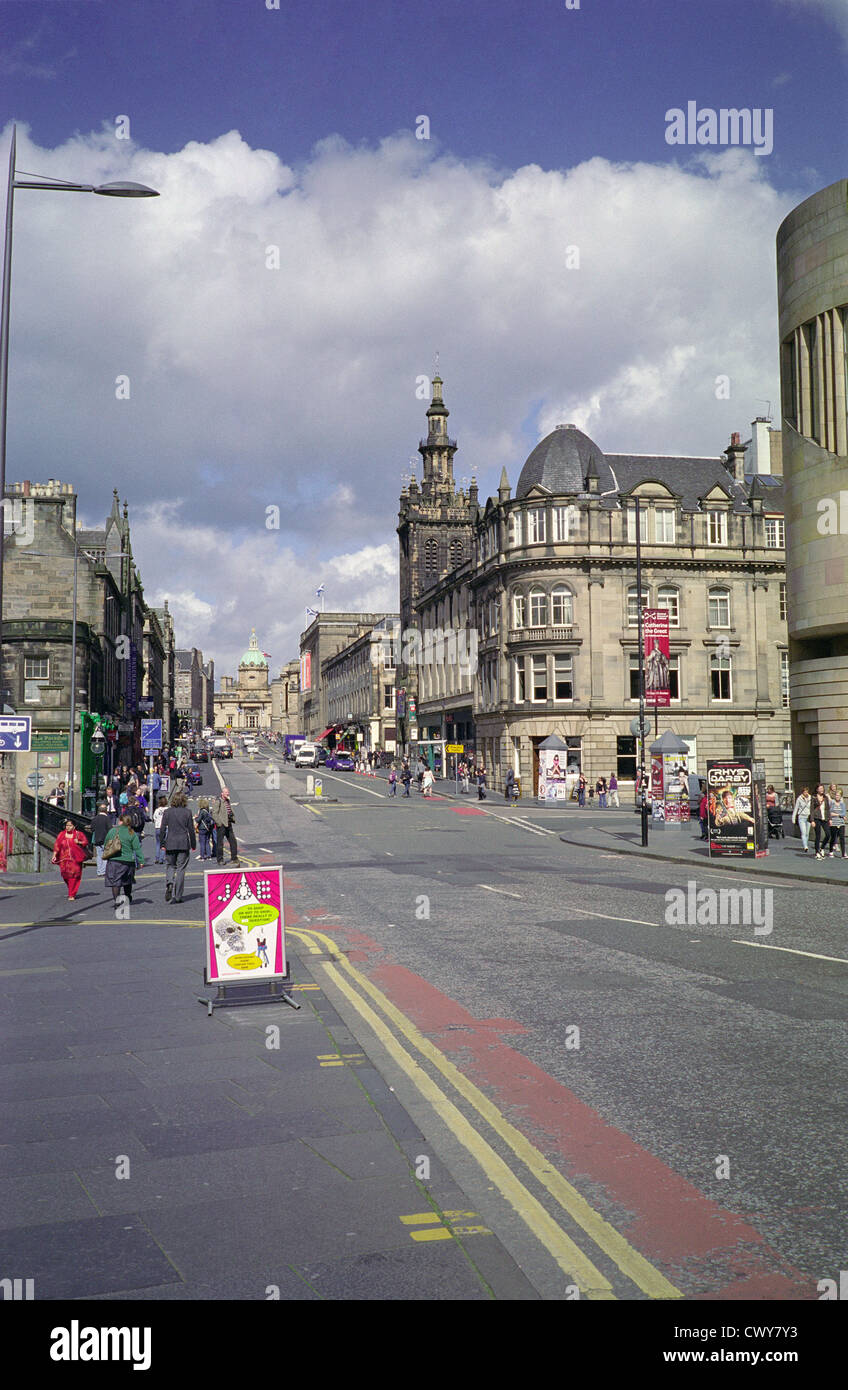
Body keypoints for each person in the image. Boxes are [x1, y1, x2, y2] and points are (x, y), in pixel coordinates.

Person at [103, 814, 143, 914]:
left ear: (120, 821)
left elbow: (106, 843)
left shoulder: (113, 831)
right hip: (128, 861)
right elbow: (137, 848)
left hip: (114, 860)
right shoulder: (131, 833)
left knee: (115, 882)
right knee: (127, 880)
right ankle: (128, 896)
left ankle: (117, 901)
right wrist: (141, 861)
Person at [161, 792, 197, 903]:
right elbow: (191, 830)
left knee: (170, 866)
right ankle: (178, 896)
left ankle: (169, 883)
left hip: (170, 842)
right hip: (183, 843)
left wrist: (162, 843)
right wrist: (193, 844)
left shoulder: (167, 812)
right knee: (181, 869)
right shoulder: (187, 812)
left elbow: (162, 829)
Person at [52, 820, 89, 900]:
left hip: (75, 859)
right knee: (65, 875)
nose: (68, 827)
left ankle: (71, 894)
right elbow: (57, 845)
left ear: (74, 826)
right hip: (64, 858)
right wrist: (54, 855)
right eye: (67, 825)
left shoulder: (79, 834)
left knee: (73, 875)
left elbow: (85, 842)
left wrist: (79, 842)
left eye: (70, 825)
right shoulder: (61, 834)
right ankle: (71, 889)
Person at [211, 788, 239, 864]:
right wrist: (219, 823)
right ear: (222, 793)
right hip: (222, 825)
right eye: (226, 792)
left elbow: (229, 811)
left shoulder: (227, 801)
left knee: (233, 841)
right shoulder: (218, 801)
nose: (228, 794)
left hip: (229, 824)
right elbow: (214, 813)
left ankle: (234, 858)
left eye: (228, 792)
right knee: (220, 843)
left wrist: (232, 818)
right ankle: (220, 859)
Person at [89, 801, 111, 877]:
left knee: (99, 856)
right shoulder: (107, 818)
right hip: (105, 839)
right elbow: (110, 829)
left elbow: (92, 829)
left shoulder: (95, 819)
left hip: (97, 839)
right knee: (105, 856)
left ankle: (99, 871)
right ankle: (103, 871)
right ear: (106, 811)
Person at [811, 785, 831, 859]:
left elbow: (828, 809)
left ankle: (822, 848)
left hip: (824, 818)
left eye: (822, 788)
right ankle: (817, 852)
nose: (822, 790)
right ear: (817, 790)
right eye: (820, 788)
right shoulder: (814, 798)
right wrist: (812, 820)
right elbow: (811, 809)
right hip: (817, 818)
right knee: (818, 835)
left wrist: (830, 819)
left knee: (828, 834)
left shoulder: (825, 797)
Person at [791, 786, 811, 853]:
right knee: (803, 832)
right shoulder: (799, 798)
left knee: (807, 833)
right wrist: (793, 818)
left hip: (808, 816)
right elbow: (796, 808)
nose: (806, 793)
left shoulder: (810, 798)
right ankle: (805, 846)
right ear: (802, 792)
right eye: (804, 792)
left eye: (807, 792)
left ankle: (806, 844)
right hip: (801, 817)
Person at [828, 788, 846, 858]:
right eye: (836, 795)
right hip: (833, 822)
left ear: (841, 796)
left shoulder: (842, 804)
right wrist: (838, 815)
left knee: (842, 838)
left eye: (839, 795)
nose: (837, 797)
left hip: (841, 822)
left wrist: (836, 814)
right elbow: (830, 813)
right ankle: (831, 851)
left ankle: (843, 853)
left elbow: (844, 813)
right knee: (833, 837)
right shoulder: (832, 802)